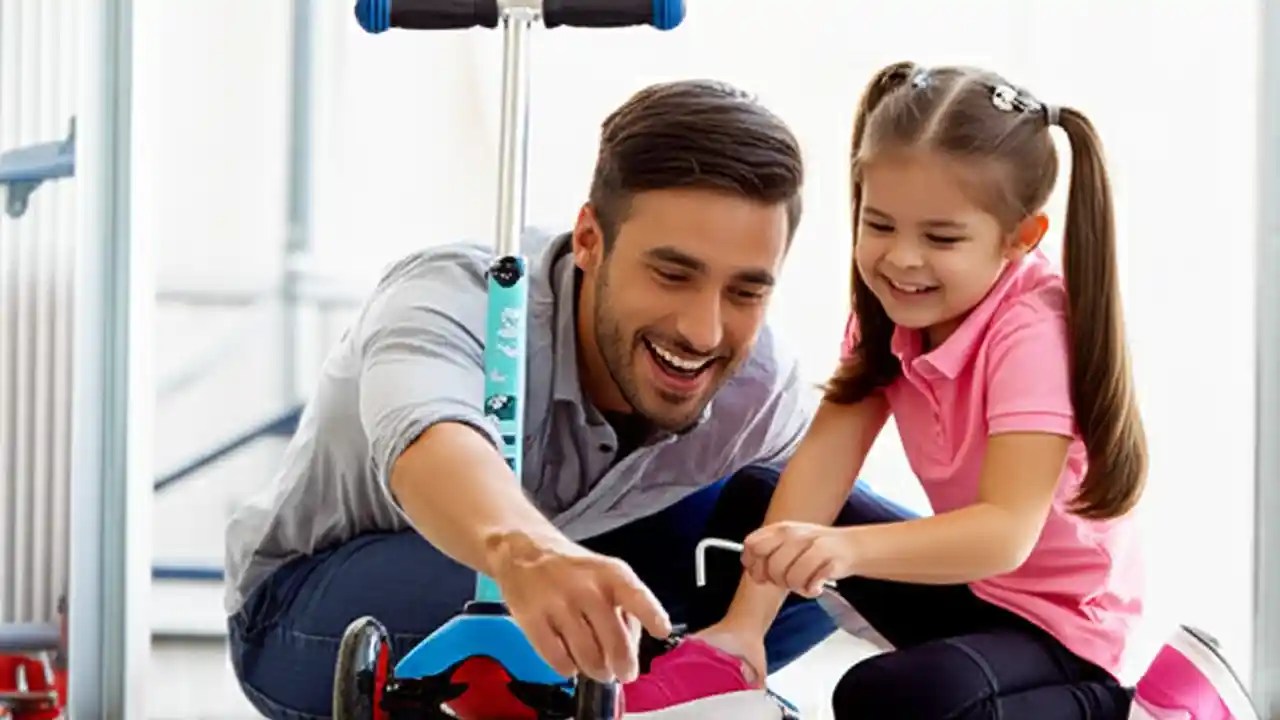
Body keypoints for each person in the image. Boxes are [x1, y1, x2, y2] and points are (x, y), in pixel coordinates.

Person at [223, 78, 849, 720]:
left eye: (745, 292)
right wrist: (526, 554)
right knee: (502, 604)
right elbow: (430, 438)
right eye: (672, 274)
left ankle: (662, 689)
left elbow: (833, 512)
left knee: (833, 553)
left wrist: (745, 629)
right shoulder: (455, 294)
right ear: (589, 242)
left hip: (585, 573)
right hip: (310, 605)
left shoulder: (759, 380)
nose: (703, 330)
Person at [691, 62, 1261, 720]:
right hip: (975, 591)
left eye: (941, 238)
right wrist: (744, 628)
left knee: (885, 696)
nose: (902, 259)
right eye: (879, 226)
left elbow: (1004, 533)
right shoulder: (893, 308)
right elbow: (824, 459)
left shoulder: (1034, 330)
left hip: (1062, 633)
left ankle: (1139, 710)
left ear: (1021, 237)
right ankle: (723, 683)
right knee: (760, 502)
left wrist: (847, 548)